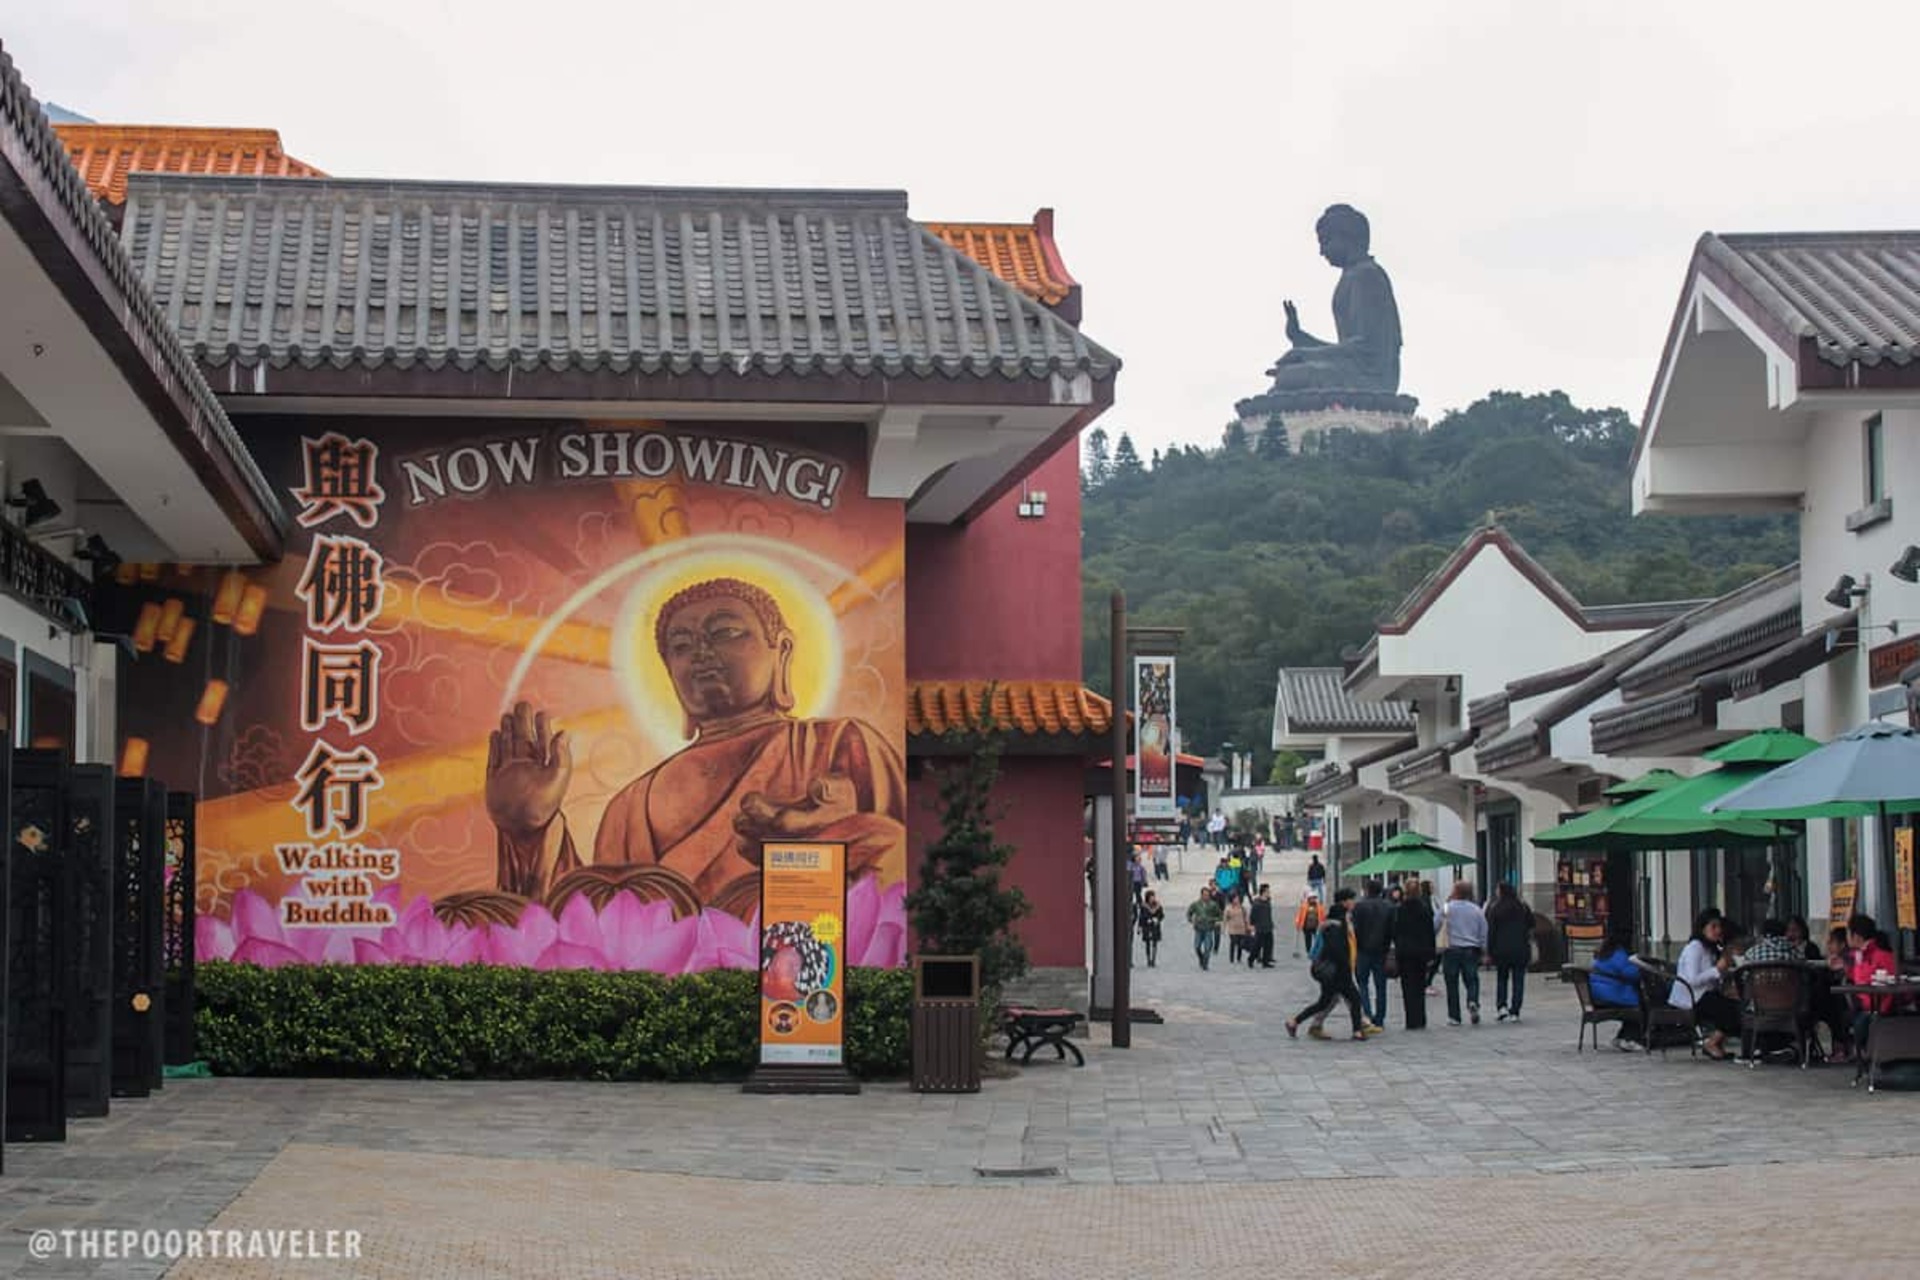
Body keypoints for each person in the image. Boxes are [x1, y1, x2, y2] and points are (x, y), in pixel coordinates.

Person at [486, 578, 905, 910]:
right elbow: (596, 930)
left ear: (781, 651)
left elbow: (895, 881)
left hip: (788, 977)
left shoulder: (835, 746)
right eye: (682, 646)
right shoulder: (629, 807)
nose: (702, 652)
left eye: (725, 632)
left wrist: (827, 851)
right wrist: (530, 832)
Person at [1286, 899, 1375, 1042]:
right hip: (1338, 973)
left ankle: (1294, 1022)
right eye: (1347, 915)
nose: (1349, 917)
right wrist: (1346, 967)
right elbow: (1337, 952)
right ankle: (1357, 1031)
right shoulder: (1335, 929)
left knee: (1324, 1002)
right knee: (1354, 999)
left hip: (1333, 973)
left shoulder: (1329, 928)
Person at [1670, 910, 1740, 1059]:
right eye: (1713, 927)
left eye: (1719, 927)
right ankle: (1712, 1043)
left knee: (1737, 1005)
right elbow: (1692, 979)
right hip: (1692, 998)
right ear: (1702, 929)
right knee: (1733, 1011)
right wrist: (1717, 970)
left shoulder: (1710, 948)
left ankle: (1717, 1042)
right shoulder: (1695, 948)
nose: (1718, 931)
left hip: (1706, 994)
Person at [1846, 912, 1901, 1056]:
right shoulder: (1858, 955)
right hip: (1864, 1004)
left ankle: (1865, 1055)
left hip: (1879, 1007)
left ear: (1856, 936)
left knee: (1860, 1022)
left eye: (1848, 933)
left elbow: (1890, 985)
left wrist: (1879, 1009)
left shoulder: (1880, 955)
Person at [1390, 878, 1437, 1030]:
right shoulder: (1424, 909)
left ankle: (1411, 1019)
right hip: (1421, 952)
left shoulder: (1400, 909)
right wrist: (1431, 953)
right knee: (1419, 985)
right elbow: (1430, 932)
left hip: (1405, 952)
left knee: (1407, 986)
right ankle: (1421, 1018)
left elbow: (1395, 931)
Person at [1485, 882, 1534, 1022]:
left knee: (1502, 978)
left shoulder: (1495, 908)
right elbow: (1532, 924)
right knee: (1518, 980)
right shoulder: (1522, 907)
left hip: (1501, 949)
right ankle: (1515, 1011)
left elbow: (1491, 932)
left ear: (1501, 892)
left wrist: (1489, 951)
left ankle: (1502, 1007)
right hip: (1520, 948)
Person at [1440, 880, 1487, 1026]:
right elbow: (1484, 931)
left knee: (1451, 983)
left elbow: (1435, 925)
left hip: (1451, 949)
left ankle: (1454, 1016)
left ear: (1455, 892)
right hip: (1470, 949)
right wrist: (1484, 949)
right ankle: (1472, 1000)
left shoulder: (1447, 908)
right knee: (1472, 979)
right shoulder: (1476, 910)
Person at [1349, 879, 1394, 1029]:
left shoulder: (1359, 906)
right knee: (1381, 986)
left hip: (1363, 950)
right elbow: (1391, 930)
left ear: (1367, 890)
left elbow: (1355, 929)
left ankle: (1367, 1015)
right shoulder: (1388, 906)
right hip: (1381, 950)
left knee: (1362, 984)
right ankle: (1380, 1018)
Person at [1590, 932, 1645, 1050]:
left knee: (1635, 1002)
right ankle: (1631, 1038)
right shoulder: (1618, 954)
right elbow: (1632, 974)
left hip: (1600, 995)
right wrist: (1640, 967)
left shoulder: (1602, 953)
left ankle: (1622, 1036)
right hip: (1613, 995)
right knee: (1642, 1004)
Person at [1187, 889, 1223, 969]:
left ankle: (1205, 963)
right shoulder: (1196, 904)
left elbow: (1220, 915)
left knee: (1207, 947)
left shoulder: (1213, 905)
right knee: (1197, 946)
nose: (1206, 897)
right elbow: (1189, 912)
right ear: (1201, 895)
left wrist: (1214, 920)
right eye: (1204, 895)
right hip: (1198, 928)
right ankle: (1201, 957)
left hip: (1208, 928)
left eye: (1207, 895)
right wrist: (1191, 919)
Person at [1249, 884, 1276, 968]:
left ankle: (1265, 961)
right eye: (1267, 891)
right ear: (1263, 892)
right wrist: (1252, 925)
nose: (1269, 892)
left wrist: (1271, 923)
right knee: (1257, 945)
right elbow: (1252, 915)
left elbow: (1269, 914)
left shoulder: (1268, 901)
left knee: (1269, 945)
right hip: (1260, 927)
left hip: (1268, 926)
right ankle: (1251, 959)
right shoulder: (1257, 903)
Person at [1138, 890, 1165, 968]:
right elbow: (1141, 917)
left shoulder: (1158, 906)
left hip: (1155, 926)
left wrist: (1157, 919)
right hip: (1147, 926)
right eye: (1151, 897)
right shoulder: (1144, 906)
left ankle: (1153, 959)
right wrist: (1140, 926)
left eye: (1153, 897)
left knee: (1154, 942)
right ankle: (1148, 959)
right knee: (1147, 943)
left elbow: (1162, 915)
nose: (1152, 898)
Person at [1223, 894, 1253, 964]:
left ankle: (1238, 958)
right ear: (1232, 899)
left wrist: (1248, 926)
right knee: (1233, 943)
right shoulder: (1228, 908)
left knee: (1240, 944)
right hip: (1232, 929)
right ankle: (1231, 958)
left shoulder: (1242, 908)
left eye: (1237, 898)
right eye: (1235, 898)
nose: (1237, 900)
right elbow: (1225, 919)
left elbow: (1246, 918)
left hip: (1242, 929)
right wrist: (1223, 928)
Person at [1294, 891, 1322, 958]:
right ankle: (1309, 951)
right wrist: (1298, 923)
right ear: (1309, 899)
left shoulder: (1319, 907)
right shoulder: (1304, 906)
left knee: (1317, 939)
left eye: (1314, 898)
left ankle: (1317, 951)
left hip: (1316, 926)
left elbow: (1322, 916)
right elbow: (1300, 915)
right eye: (1311, 898)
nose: (1313, 899)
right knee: (1308, 939)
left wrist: (1322, 923)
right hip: (1306, 926)